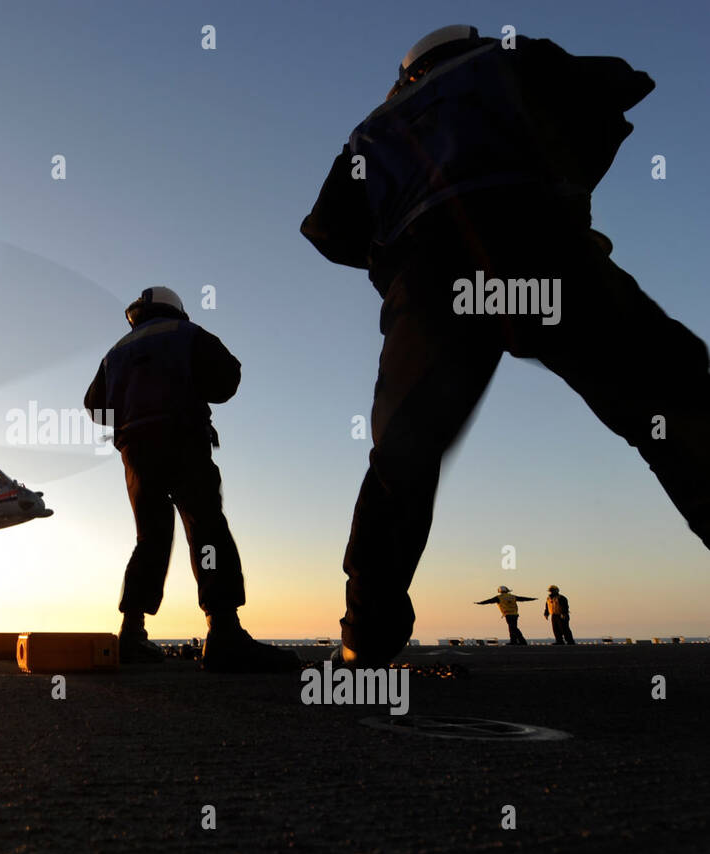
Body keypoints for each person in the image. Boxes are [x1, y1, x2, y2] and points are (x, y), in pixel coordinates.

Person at [300, 24, 710, 667]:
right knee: (672, 404)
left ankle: (366, 641)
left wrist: (397, 260)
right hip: (542, 249)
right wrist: (564, 191)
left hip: (432, 283)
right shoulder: (511, 57)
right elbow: (619, 85)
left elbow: (328, 229)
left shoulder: (373, 127)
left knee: (402, 459)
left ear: (407, 71)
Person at [83, 286, 301, 672]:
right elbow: (227, 380)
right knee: (205, 529)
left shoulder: (114, 353)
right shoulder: (187, 334)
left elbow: (95, 407)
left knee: (150, 537)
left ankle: (131, 634)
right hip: (182, 437)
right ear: (175, 309)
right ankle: (223, 632)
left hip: (136, 449)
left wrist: (133, 406)